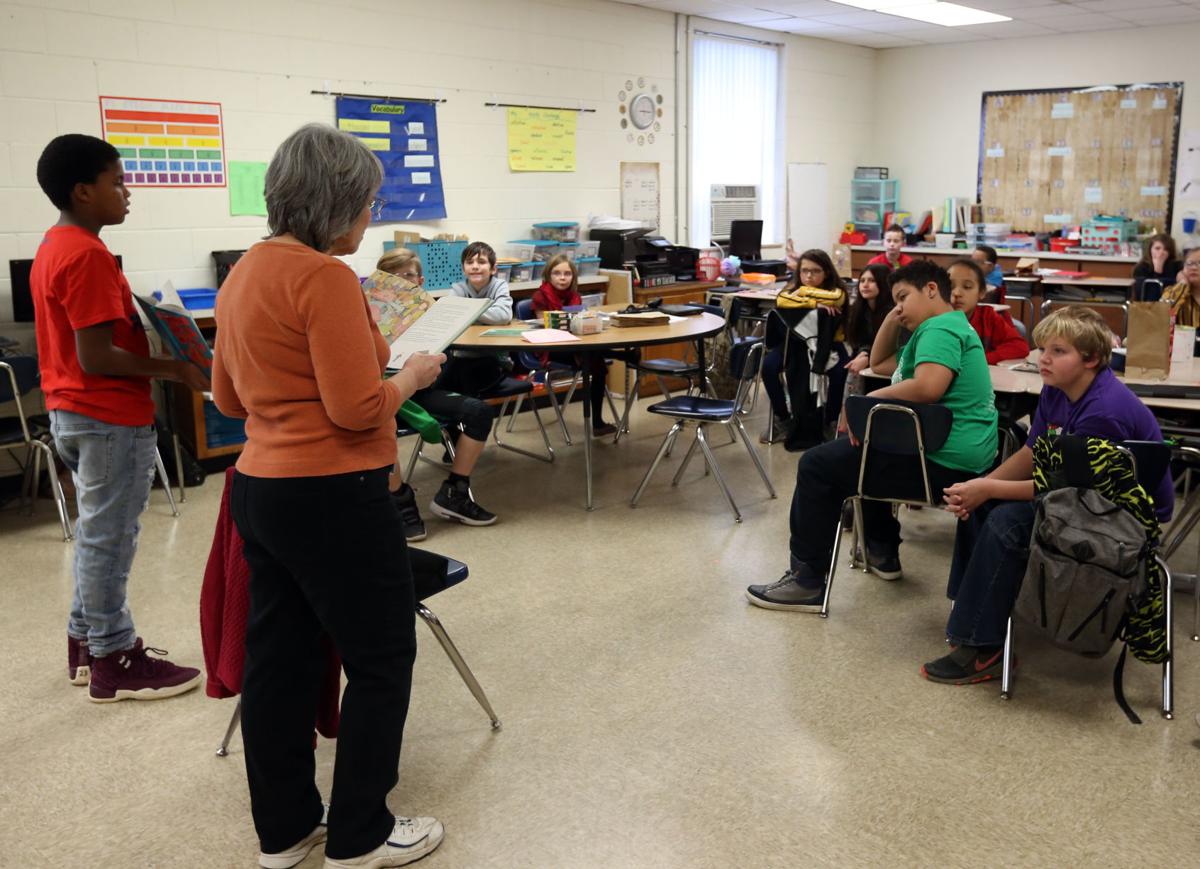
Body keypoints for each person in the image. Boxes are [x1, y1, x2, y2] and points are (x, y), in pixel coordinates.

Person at [211, 123, 445, 869]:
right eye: (368, 202)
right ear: (337, 202)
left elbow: (227, 398)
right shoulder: (325, 278)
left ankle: (284, 832)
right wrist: (412, 377)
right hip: (334, 495)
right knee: (380, 658)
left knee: (280, 662)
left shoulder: (245, 271)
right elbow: (356, 409)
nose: (371, 216)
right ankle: (360, 835)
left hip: (261, 490)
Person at [30, 134, 206, 703]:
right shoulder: (87, 255)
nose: (127, 192)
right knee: (110, 541)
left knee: (96, 535)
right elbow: (97, 357)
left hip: (72, 411)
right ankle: (114, 658)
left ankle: (85, 644)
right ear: (84, 191)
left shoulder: (55, 243)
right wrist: (175, 368)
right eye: (117, 182)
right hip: (107, 416)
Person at [924, 306, 1173, 683]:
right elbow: (1033, 453)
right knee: (983, 506)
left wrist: (987, 488)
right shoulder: (1057, 389)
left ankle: (983, 647)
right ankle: (975, 614)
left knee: (1007, 523)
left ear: (1091, 359)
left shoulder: (1103, 410)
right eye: (1042, 349)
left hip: (1122, 512)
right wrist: (980, 487)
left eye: (1058, 351)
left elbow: (1067, 489)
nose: (1043, 358)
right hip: (1083, 494)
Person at [746, 261, 998, 611]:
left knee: (817, 465)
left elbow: (928, 387)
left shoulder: (939, 329)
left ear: (931, 290)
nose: (898, 306)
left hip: (942, 463)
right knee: (863, 451)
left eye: (903, 297)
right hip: (952, 455)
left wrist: (862, 403)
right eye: (894, 300)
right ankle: (881, 550)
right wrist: (896, 314)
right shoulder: (946, 326)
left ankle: (806, 581)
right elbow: (879, 364)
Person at [376, 248, 497, 536]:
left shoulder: (429, 312)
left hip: (420, 391)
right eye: (392, 276)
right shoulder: (368, 314)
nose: (401, 282)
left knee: (479, 412)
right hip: (387, 392)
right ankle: (399, 500)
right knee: (381, 423)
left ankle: (454, 493)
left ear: (420, 281)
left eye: (407, 275)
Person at [530, 253, 629, 437]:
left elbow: (580, 322)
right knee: (595, 359)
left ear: (573, 277)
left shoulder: (575, 296)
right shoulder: (540, 296)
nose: (562, 278)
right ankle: (619, 355)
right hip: (551, 347)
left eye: (567, 274)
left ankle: (597, 421)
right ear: (548, 275)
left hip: (576, 343)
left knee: (596, 362)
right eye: (557, 273)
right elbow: (546, 327)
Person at [759, 249, 848, 447]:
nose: (809, 276)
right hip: (794, 342)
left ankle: (831, 421)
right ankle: (783, 419)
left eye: (815, 271)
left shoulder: (836, 291)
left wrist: (802, 295)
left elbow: (836, 299)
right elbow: (782, 299)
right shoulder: (792, 289)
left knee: (840, 371)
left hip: (830, 342)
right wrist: (814, 304)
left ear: (826, 272)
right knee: (769, 367)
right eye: (804, 271)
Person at [436, 241, 514, 396]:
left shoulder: (499, 286)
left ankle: (468, 408)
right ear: (463, 269)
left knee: (461, 374)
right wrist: (486, 315)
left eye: (481, 262)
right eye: (470, 262)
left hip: (494, 359)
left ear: (493, 269)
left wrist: (467, 311)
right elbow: (451, 315)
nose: (475, 266)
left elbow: (504, 315)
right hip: (462, 356)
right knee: (447, 372)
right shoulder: (458, 288)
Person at [948, 258, 1028, 365]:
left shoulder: (988, 317)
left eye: (967, 287)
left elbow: (1020, 346)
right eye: (950, 287)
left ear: (981, 292)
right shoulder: (936, 319)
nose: (957, 293)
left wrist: (981, 360)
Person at [843, 263, 894, 393]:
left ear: (883, 283)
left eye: (872, 281)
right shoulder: (858, 309)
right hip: (865, 363)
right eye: (862, 281)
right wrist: (863, 353)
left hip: (886, 372)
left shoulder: (892, 312)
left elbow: (891, 347)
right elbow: (859, 341)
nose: (865, 285)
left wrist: (867, 356)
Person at [1161, 247, 1200, 329]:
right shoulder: (1172, 291)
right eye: (1189, 263)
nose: (1193, 268)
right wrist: (1182, 284)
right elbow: (1160, 317)